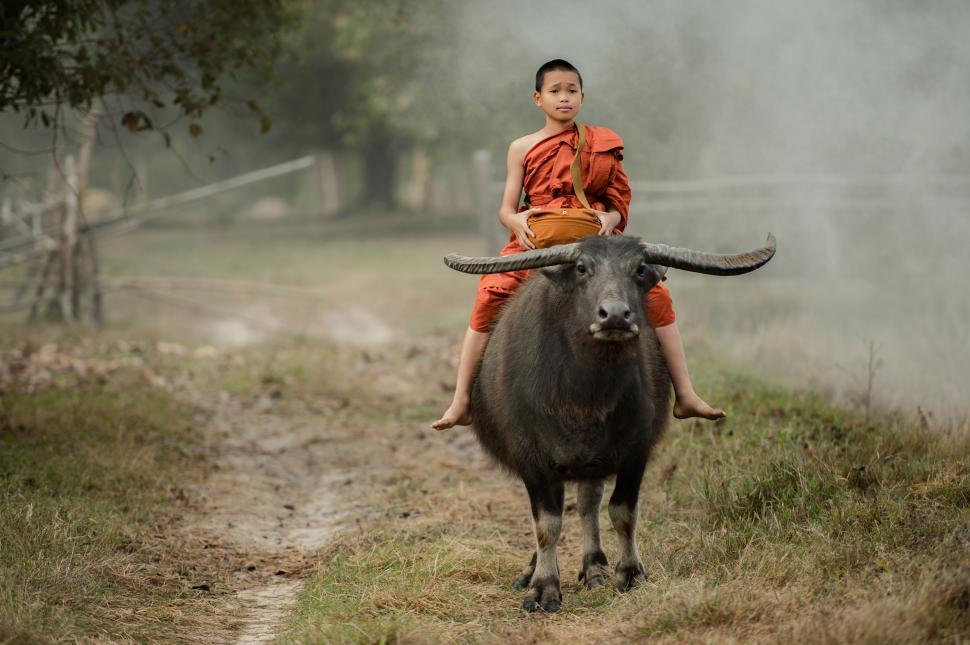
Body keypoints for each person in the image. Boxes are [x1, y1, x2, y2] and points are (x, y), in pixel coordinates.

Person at [432, 59, 724, 431]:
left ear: (582, 97)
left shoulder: (603, 142)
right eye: (555, 91)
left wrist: (610, 220)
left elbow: (618, 199)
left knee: (657, 297)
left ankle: (685, 394)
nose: (564, 98)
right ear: (538, 99)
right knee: (491, 293)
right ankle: (462, 400)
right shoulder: (521, 147)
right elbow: (506, 208)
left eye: (571, 91)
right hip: (538, 241)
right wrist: (517, 220)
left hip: (596, 244)